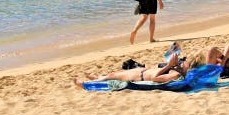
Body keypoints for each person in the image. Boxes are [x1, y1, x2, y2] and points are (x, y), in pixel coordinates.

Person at [79, 49, 211, 85]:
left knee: (113, 75)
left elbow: (155, 78)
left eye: (186, 61)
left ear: (190, 65)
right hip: (142, 71)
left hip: (140, 76)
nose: (184, 61)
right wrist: (174, 65)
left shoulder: (176, 75)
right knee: (113, 74)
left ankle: (88, 83)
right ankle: (97, 77)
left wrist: (170, 66)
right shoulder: (179, 70)